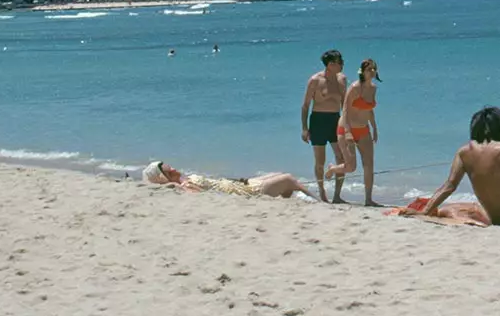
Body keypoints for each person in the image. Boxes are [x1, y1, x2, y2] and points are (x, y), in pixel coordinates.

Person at [330, 58, 381, 206]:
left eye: (374, 69)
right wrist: (347, 132)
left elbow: (369, 109)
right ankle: (332, 169)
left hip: (363, 129)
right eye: (369, 69)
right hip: (346, 128)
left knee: (369, 164)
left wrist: (374, 127)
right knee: (351, 167)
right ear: (362, 71)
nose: (372, 72)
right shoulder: (354, 87)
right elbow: (345, 110)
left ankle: (368, 199)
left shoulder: (373, 88)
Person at [300, 49, 348, 203]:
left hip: (335, 120)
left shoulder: (342, 79)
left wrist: (347, 125)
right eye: (339, 62)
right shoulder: (315, 80)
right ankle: (322, 193)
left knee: (341, 157)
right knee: (320, 160)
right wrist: (305, 128)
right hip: (318, 121)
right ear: (330, 64)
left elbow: (344, 105)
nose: (342, 64)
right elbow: (305, 105)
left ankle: (337, 195)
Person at [141, 160, 306, 199]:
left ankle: (300, 198)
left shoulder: (185, 179)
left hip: (239, 183)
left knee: (279, 173)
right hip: (244, 191)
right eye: (169, 171)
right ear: (165, 177)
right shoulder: (185, 184)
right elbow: (200, 196)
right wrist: (174, 185)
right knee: (288, 179)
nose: (173, 168)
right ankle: (318, 201)